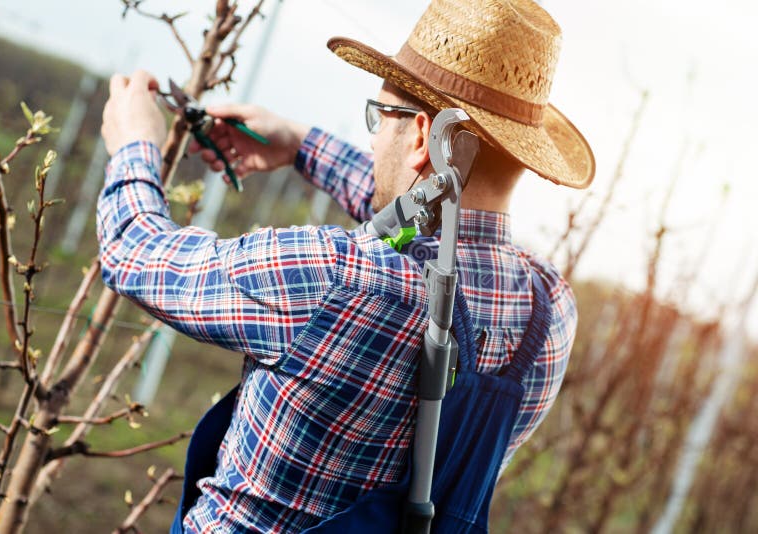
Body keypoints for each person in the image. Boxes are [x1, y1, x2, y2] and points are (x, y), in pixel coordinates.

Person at [98, 0, 594, 531]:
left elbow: (135, 251)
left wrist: (134, 144)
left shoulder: (332, 276)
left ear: (424, 137)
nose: (374, 136)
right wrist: (301, 144)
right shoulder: (551, 315)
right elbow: (421, 213)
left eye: (379, 118)